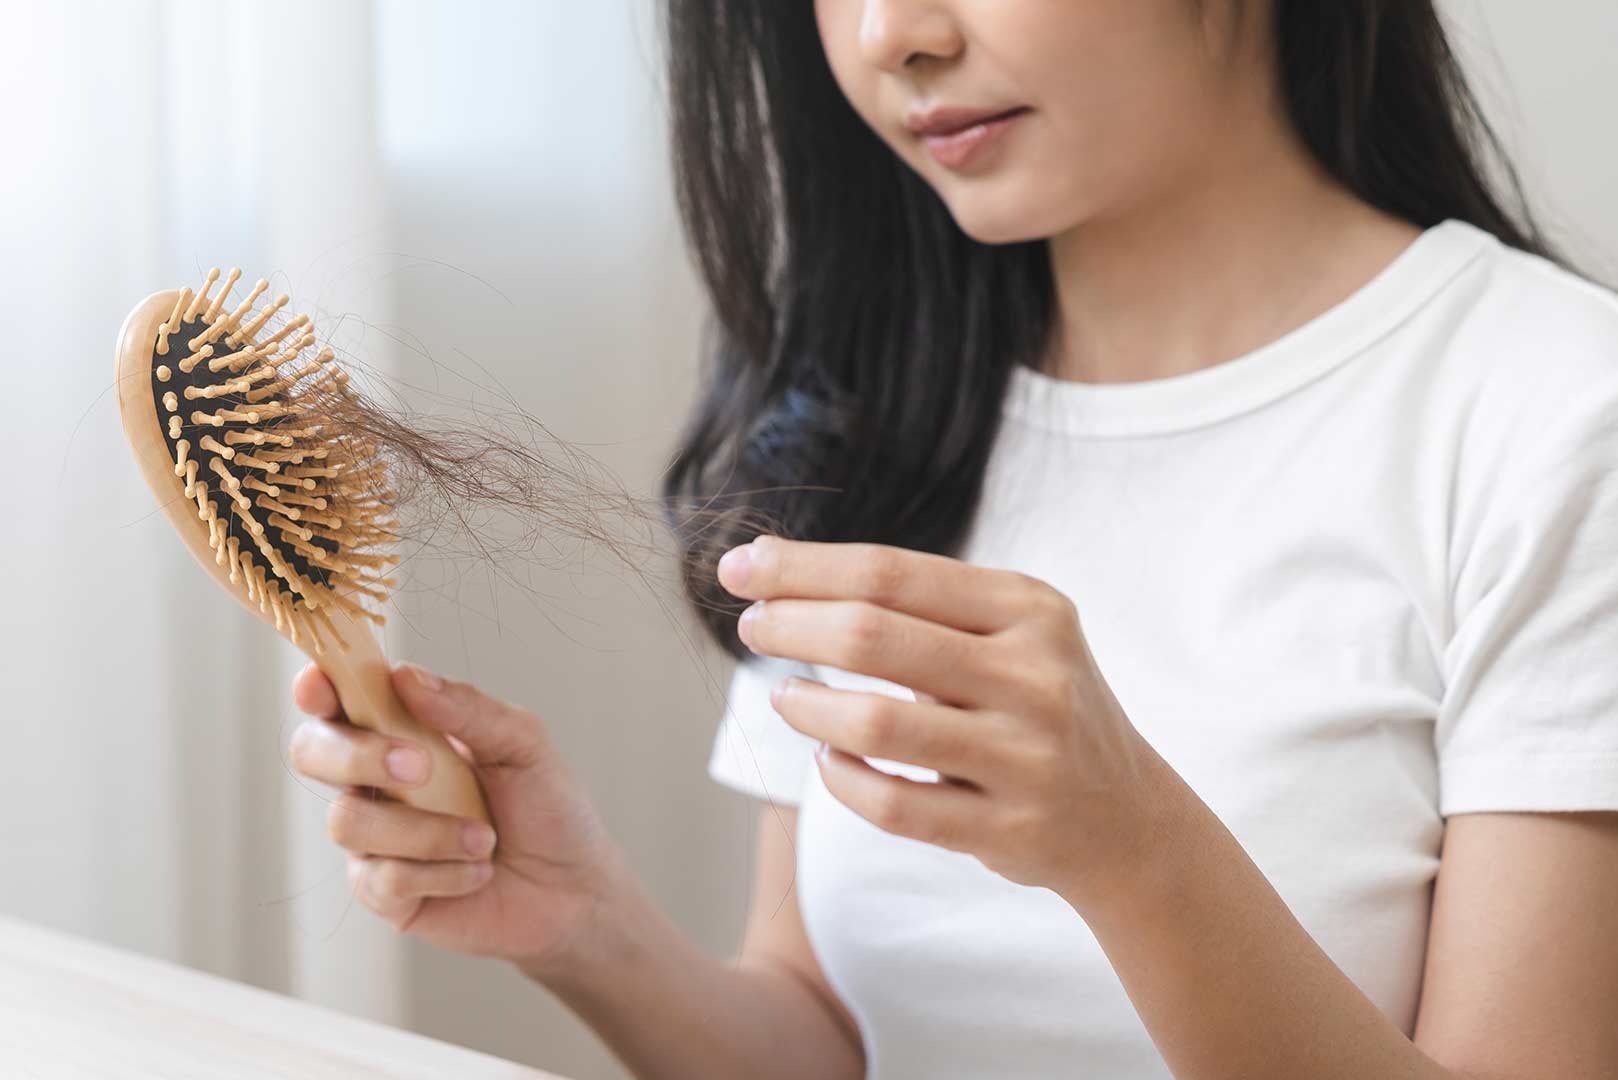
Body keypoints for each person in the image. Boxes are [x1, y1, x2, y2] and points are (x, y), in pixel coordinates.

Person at [288, 2, 1618, 1077]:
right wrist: (585, 927)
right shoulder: (880, 416)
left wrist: (1136, 851)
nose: (889, 35)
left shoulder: (1556, 415)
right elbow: (831, 1039)